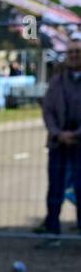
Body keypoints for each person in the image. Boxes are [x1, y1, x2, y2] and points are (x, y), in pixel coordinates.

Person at [41, 37, 81, 241]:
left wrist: (76, 134)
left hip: (79, 144)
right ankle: (52, 231)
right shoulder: (56, 81)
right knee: (55, 188)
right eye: (71, 52)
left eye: (77, 51)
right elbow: (47, 110)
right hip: (58, 143)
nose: (74, 55)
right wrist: (58, 133)